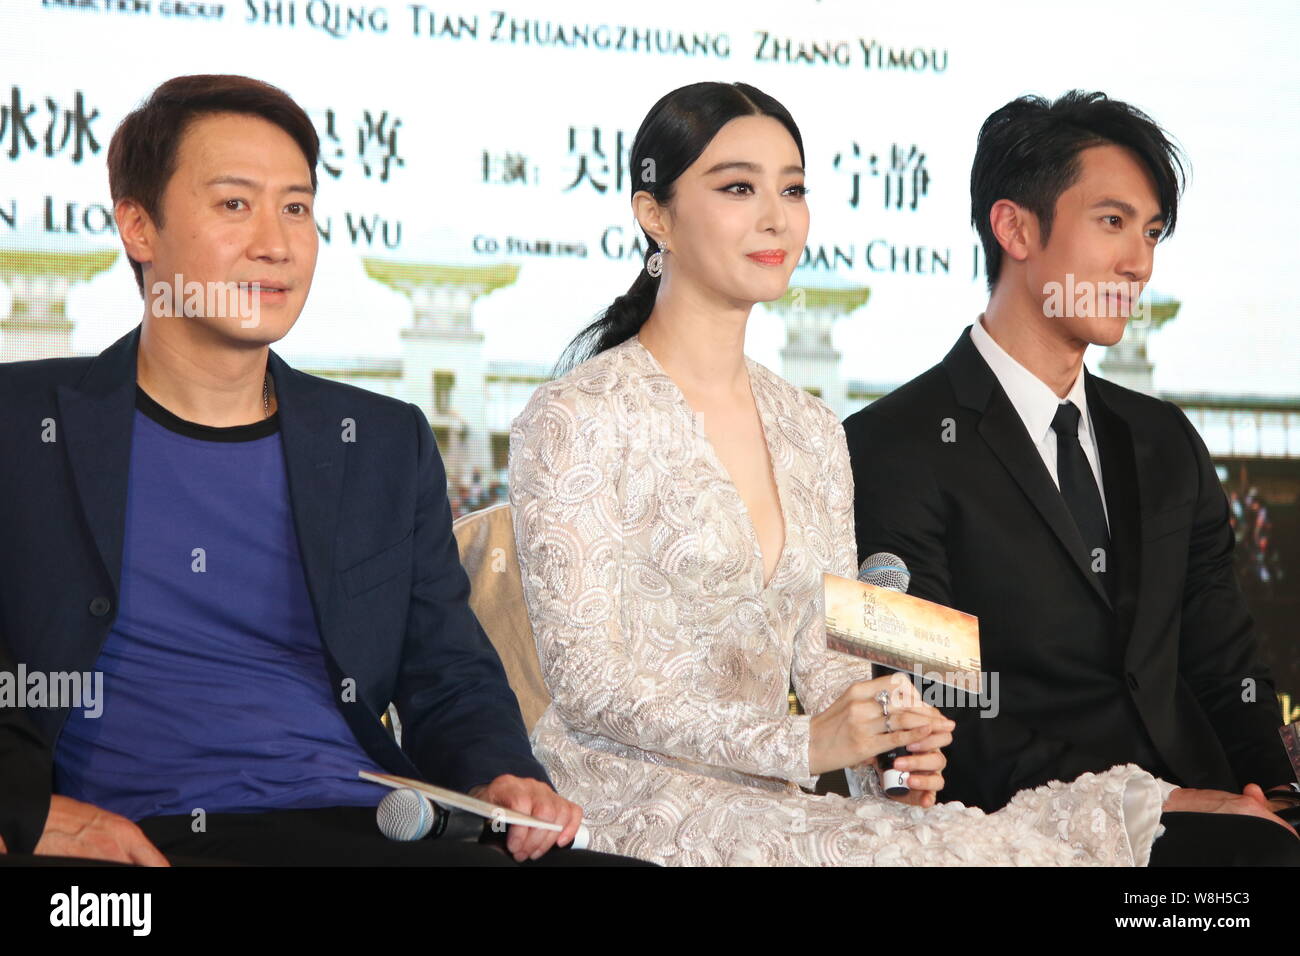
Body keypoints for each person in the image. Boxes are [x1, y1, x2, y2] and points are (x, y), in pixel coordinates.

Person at [508, 81, 1193, 867]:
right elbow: (590, 684)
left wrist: (888, 758)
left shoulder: (812, 429)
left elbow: (830, 661)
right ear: (654, 214)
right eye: (738, 187)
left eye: (793, 189)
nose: (777, 216)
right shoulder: (575, 415)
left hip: (769, 805)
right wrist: (803, 742)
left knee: (1064, 838)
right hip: (618, 803)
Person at [0, 74, 636, 867]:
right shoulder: (22, 425)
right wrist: (27, 817)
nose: (276, 241)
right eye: (235, 205)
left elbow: (445, 672)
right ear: (138, 226)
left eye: (296, 207)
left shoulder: (378, 442)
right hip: (146, 838)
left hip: (367, 824)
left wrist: (500, 775)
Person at [842, 91, 1300, 865]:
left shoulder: (1164, 440)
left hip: (1213, 816)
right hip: (1020, 826)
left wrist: (1270, 795)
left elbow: (1224, 662)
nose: (1140, 262)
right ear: (1015, 227)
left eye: (1151, 232)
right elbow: (933, 705)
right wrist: (1159, 806)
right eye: (1113, 222)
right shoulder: (884, 446)